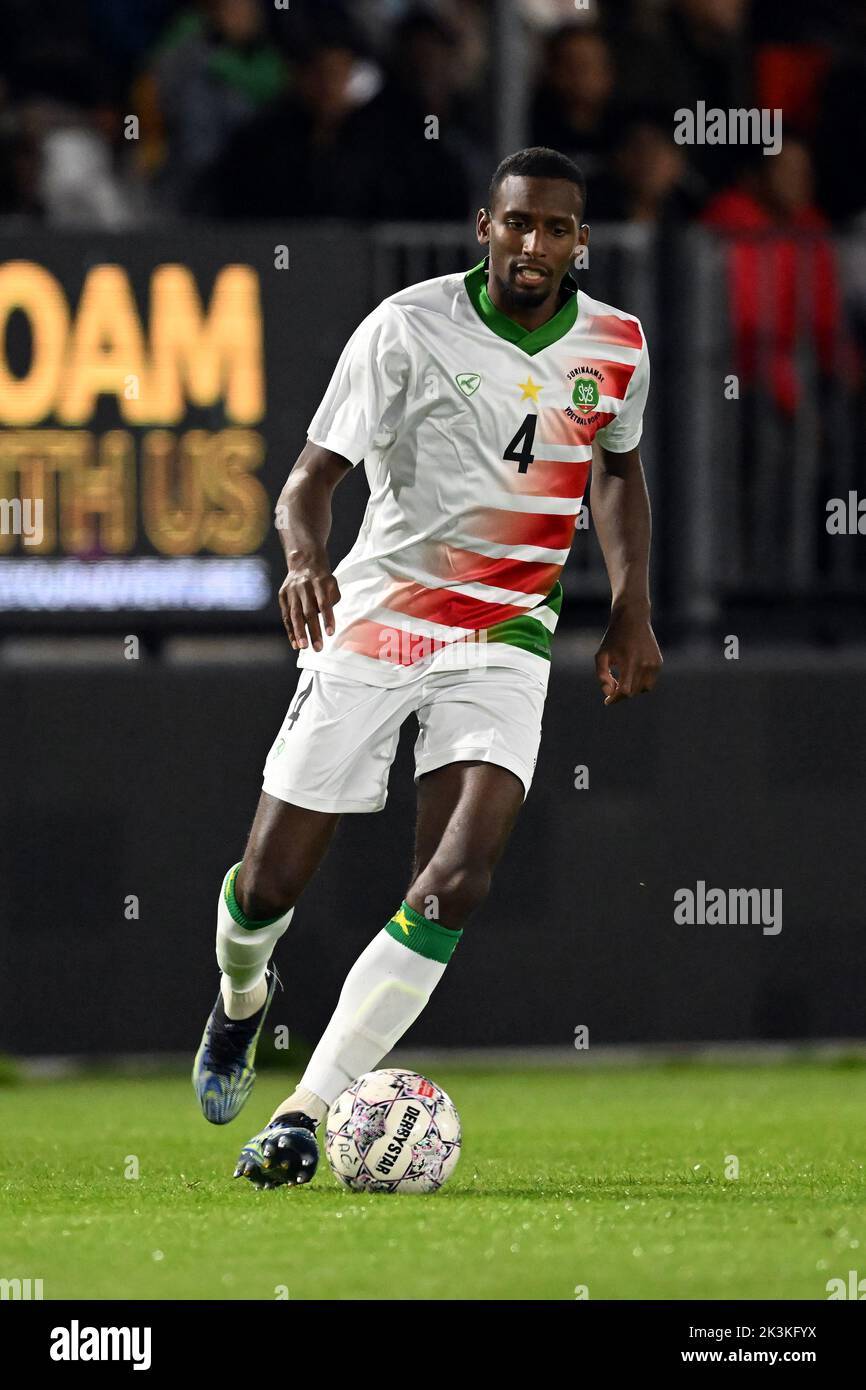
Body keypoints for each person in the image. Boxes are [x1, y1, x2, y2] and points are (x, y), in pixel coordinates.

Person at [192, 145, 662, 1188]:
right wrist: (306, 561)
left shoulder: (617, 345)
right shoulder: (406, 327)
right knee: (267, 881)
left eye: (553, 228)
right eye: (514, 223)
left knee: (456, 876)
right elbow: (307, 482)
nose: (531, 244)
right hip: (379, 619)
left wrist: (629, 604)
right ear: (482, 227)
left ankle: (304, 1112)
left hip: (507, 639)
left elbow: (616, 472)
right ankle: (238, 1000)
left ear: (579, 241)